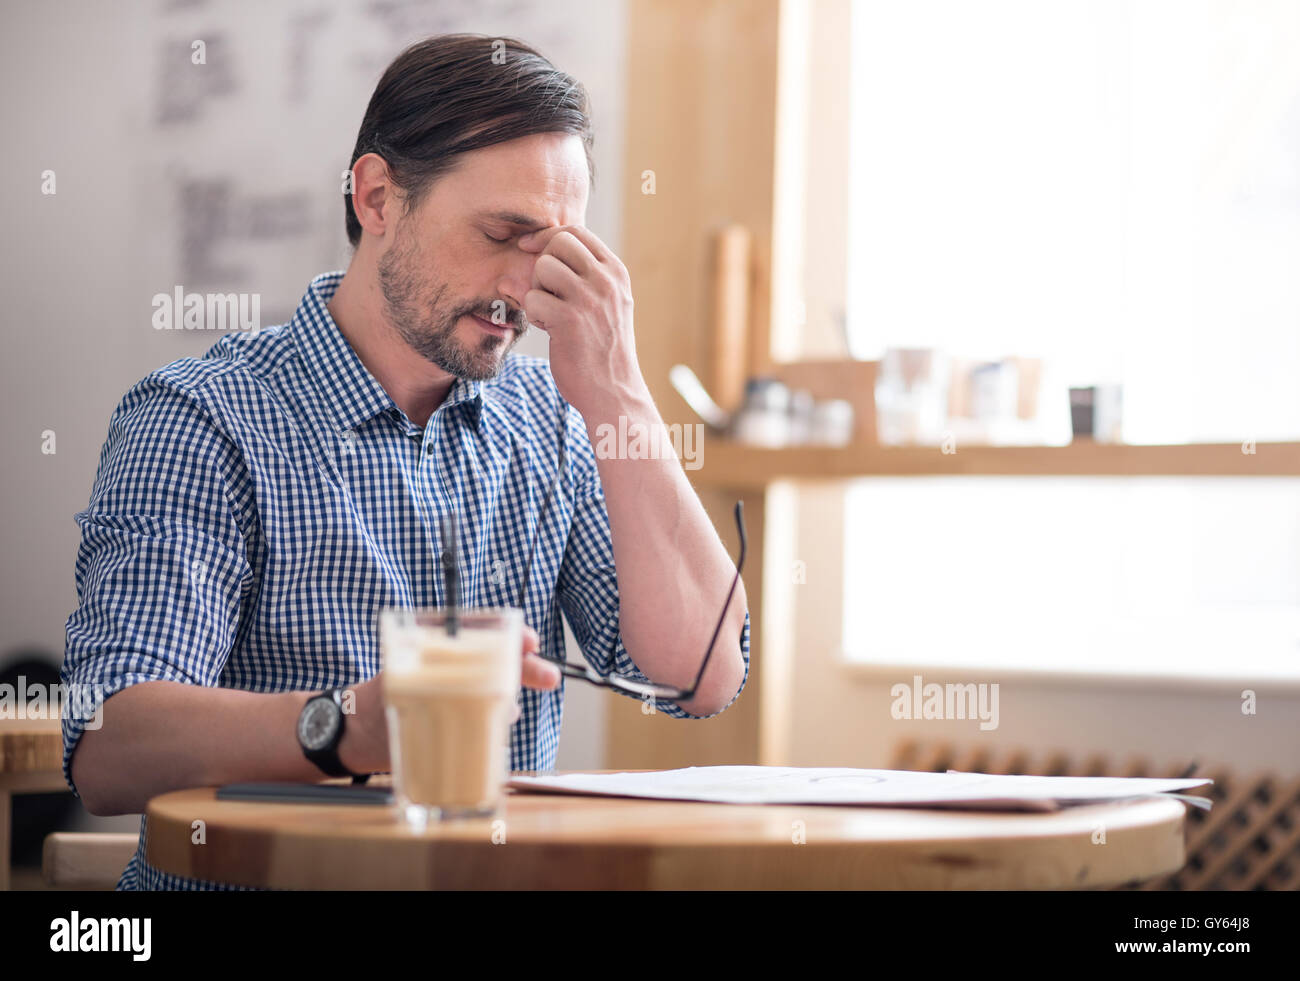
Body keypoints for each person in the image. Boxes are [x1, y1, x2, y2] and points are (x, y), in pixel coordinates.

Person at [61, 33, 749, 890]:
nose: (526, 287)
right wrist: (350, 725)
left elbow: (701, 675)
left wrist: (619, 393)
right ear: (378, 195)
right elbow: (108, 747)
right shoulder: (202, 420)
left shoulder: (555, 422)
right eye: (503, 233)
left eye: (558, 252)